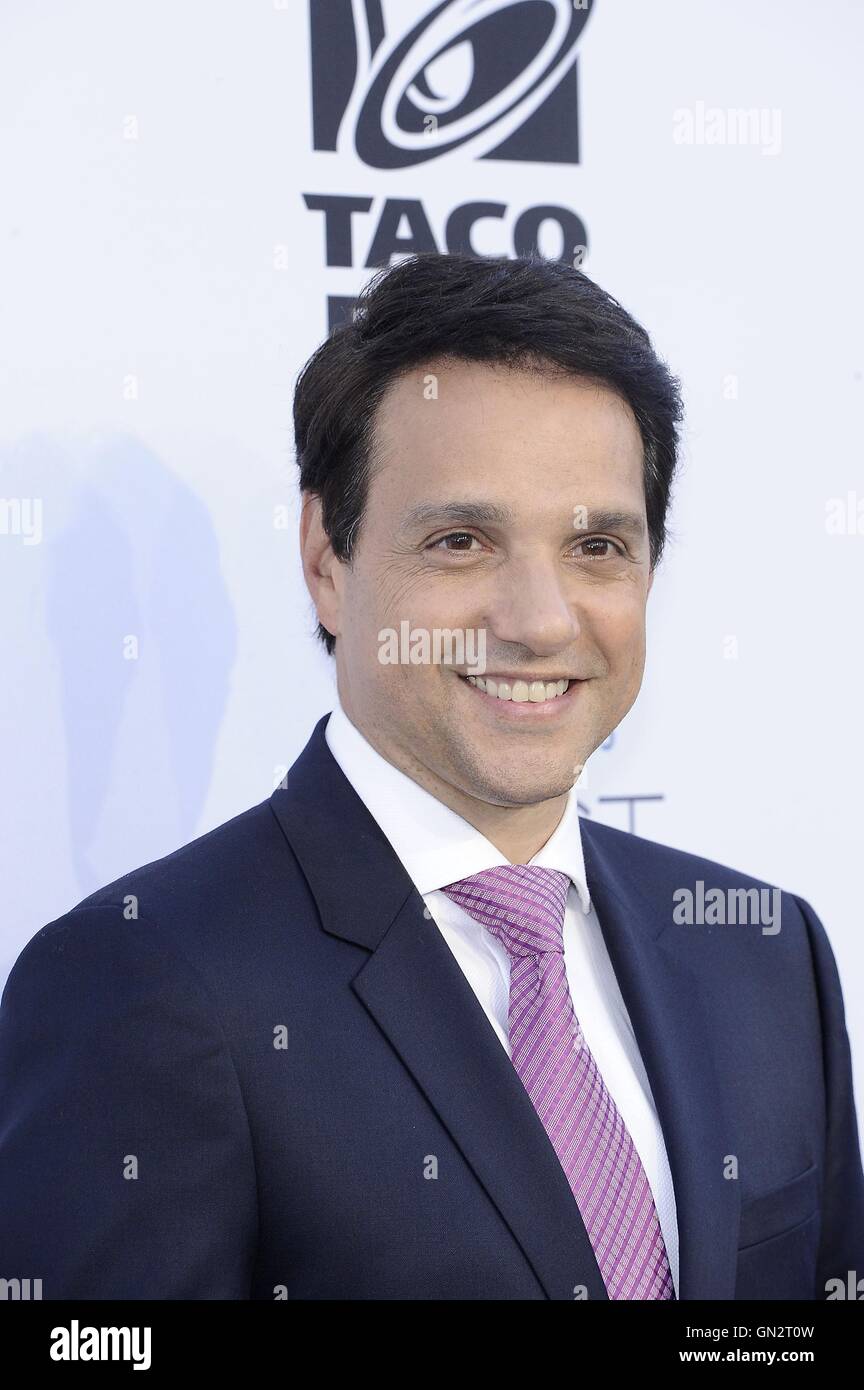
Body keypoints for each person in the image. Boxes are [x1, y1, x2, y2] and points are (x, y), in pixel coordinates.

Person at [1, 252, 861, 1300]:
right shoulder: (140, 984)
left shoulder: (765, 955)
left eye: (598, 546)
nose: (542, 621)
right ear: (327, 558)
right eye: (462, 540)